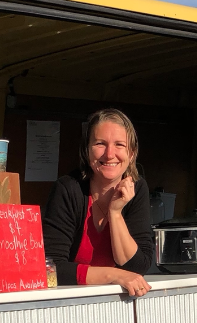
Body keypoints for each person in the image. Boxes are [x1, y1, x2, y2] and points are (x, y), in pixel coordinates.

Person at [43, 108, 153, 297]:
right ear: (87, 150)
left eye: (119, 145)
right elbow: (51, 268)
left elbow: (138, 266)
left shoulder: (138, 189)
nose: (109, 154)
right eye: (100, 144)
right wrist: (113, 275)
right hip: (67, 303)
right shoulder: (68, 189)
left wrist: (115, 212)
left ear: (132, 153)